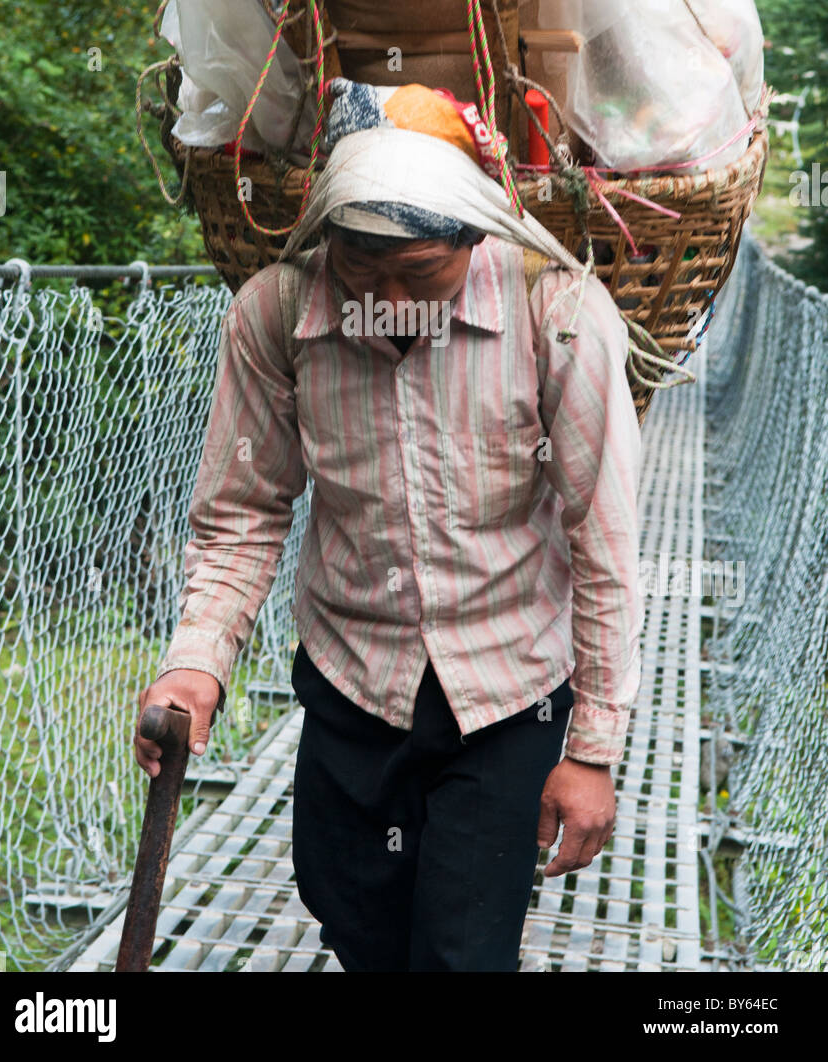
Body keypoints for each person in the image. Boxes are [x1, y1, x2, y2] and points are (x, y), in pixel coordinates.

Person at [135, 80, 643, 972]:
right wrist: (195, 662)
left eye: (419, 271)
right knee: (353, 918)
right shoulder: (277, 312)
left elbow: (599, 536)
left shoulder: (554, 314)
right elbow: (244, 512)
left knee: (459, 950)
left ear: (474, 237)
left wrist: (592, 752)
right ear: (325, 238)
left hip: (505, 690)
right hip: (352, 682)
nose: (387, 292)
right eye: (360, 264)